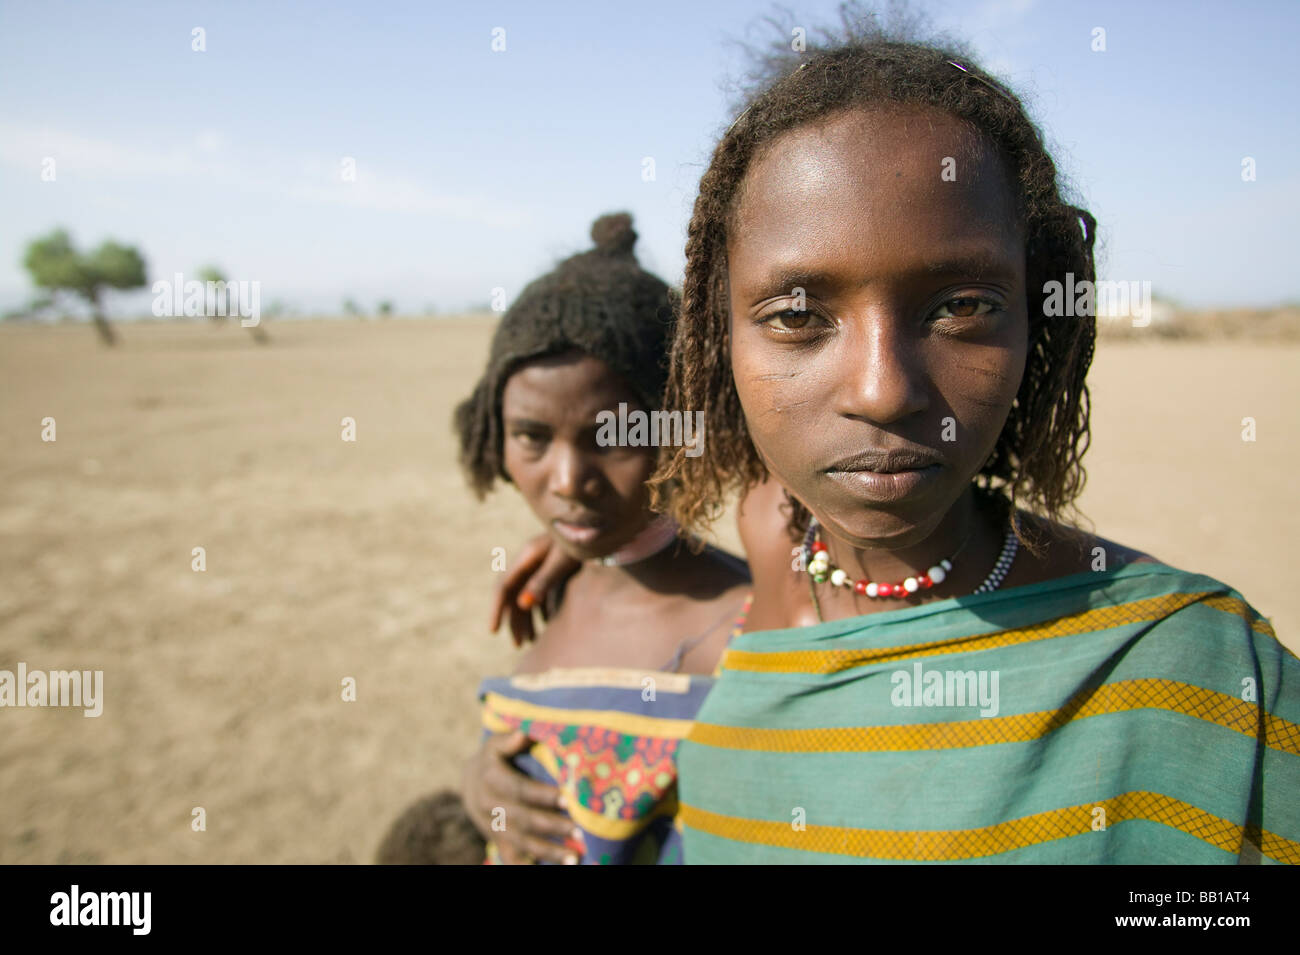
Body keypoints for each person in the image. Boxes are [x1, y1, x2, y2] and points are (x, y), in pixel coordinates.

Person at [646, 21, 1300, 863]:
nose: (883, 390)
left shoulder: (1200, 671)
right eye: (799, 315)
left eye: (960, 306)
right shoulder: (769, 542)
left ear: (1039, 323)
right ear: (719, 337)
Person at [454, 212, 750, 864]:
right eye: (532, 436)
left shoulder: (749, 630)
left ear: (678, 428)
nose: (568, 481)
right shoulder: (553, 593)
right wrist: (481, 780)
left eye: (611, 436)